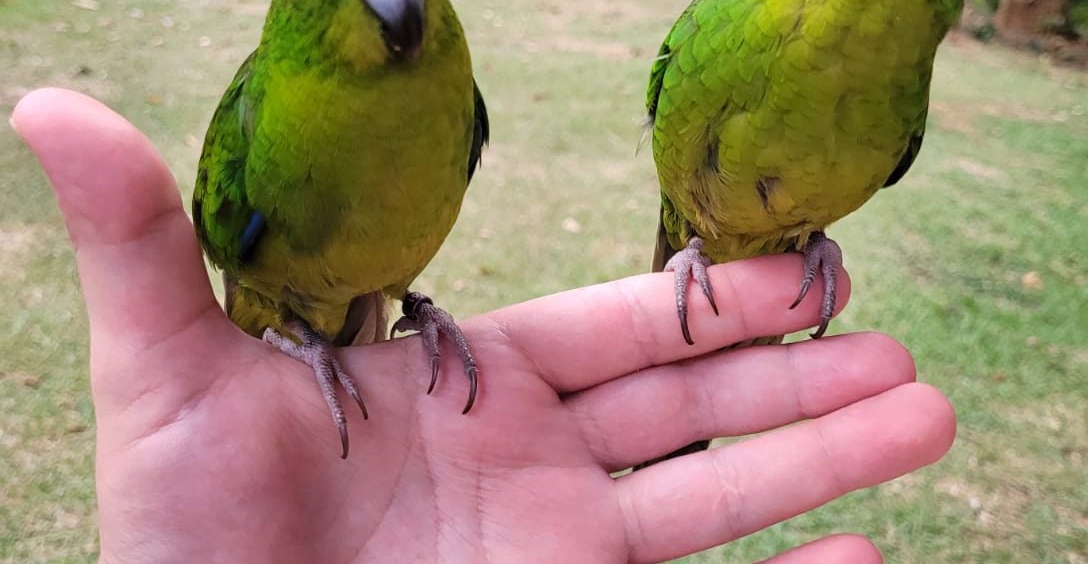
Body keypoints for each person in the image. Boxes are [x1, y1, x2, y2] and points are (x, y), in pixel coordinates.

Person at [12, 88, 955, 564]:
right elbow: (233, 243)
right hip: (281, 300)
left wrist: (404, 305)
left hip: (392, 305)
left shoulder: (453, 102)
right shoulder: (263, 114)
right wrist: (296, 332)